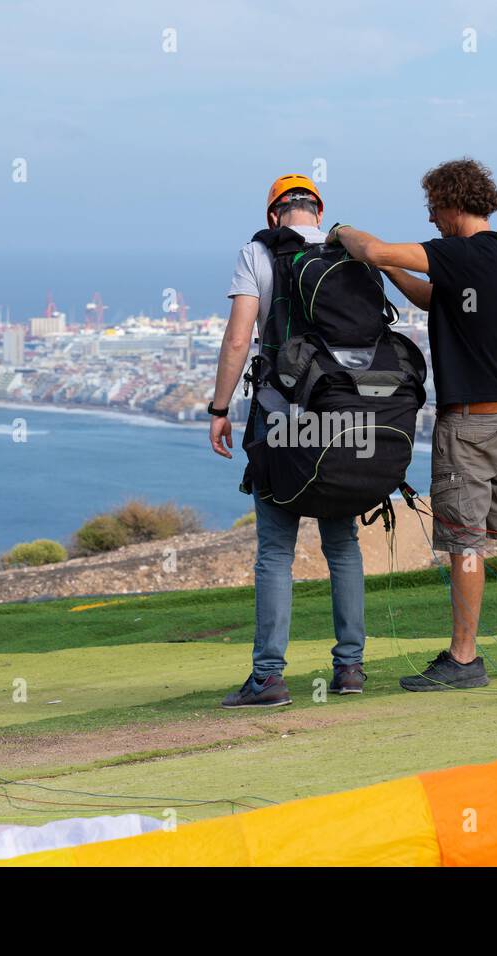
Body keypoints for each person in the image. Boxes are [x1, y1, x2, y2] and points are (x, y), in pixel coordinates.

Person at [327, 157, 497, 690]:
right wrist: (391, 273)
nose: (431, 220)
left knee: (465, 543)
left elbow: (377, 248)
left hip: (468, 426)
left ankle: (463, 658)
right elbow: (436, 298)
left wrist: (339, 232)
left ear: (454, 203)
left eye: (434, 209)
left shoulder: (461, 252)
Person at [209, 174, 368, 707]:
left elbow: (238, 338)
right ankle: (349, 669)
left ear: (274, 215)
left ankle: (269, 678)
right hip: (344, 419)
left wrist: (218, 408)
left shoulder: (257, 254)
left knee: (276, 550)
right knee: (341, 544)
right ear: (318, 213)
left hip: (281, 418)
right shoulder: (348, 252)